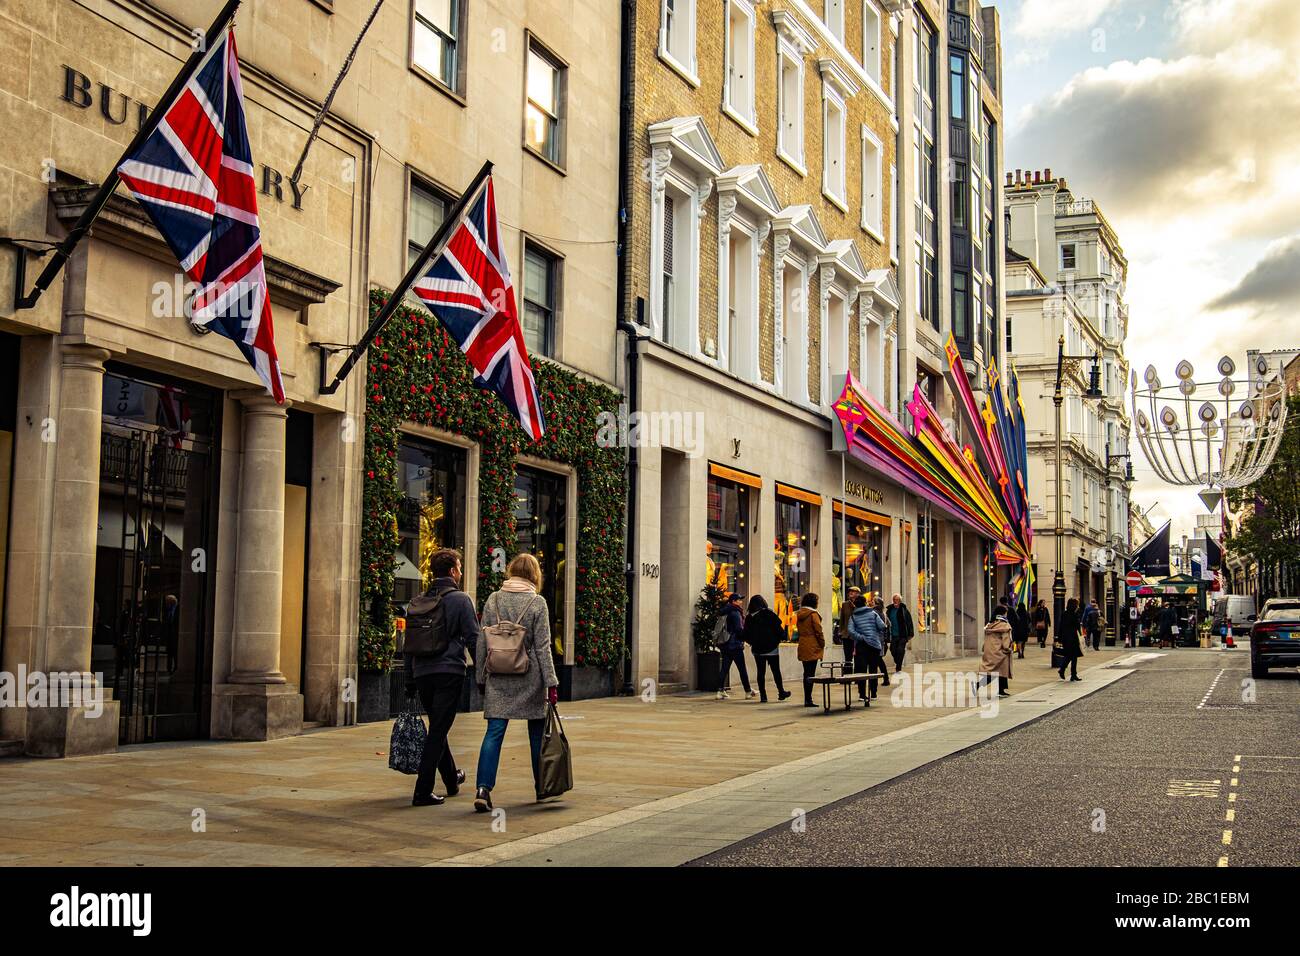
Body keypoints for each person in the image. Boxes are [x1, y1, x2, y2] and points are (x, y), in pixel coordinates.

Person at [472, 553, 559, 813]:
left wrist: (480, 676)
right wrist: (551, 682)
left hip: (498, 673)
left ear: (511, 571)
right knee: (536, 734)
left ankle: (483, 789)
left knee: (494, 732)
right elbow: (543, 647)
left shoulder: (493, 599)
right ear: (534, 575)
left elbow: (482, 641)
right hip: (530, 676)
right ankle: (542, 787)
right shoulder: (537, 602)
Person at [404, 548, 480, 807]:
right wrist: (482, 674)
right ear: (452, 571)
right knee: (437, 730)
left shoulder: (418, 601)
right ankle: (422, 791)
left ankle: (451, 779)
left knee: (438, 726)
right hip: (449, 672)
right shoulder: (461, 600)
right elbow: (473, 639)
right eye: (459, 567)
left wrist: (409, 679)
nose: (460, 571)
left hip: (422, 673)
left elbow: (409, 644)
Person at [742, 595, 791, 703]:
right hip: (771, 647)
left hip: (757, 649)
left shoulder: (749, 617)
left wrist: (752, 642)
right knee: (776, 671)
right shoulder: (769, 614)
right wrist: (782, 637)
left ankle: (763, 695)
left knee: (760, 672)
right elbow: (778, 629)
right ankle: (781, 692)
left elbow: (746, 634)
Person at [848, 595, 890, 700]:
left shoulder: (853, 616)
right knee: (873, 670)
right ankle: (874, 693)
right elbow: (882, 626)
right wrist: (874, 633)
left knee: (861, 671)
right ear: (865, 603)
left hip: (861, 645)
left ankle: (862, 694)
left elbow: (851, 631)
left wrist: (861, 637)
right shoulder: (873, 613)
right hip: (874, 645)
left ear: (855, 605)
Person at [717, 592, 755, 700]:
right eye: (739, 600)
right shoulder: (735, 612)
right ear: (733, 601)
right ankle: (748, 691)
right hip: (735, 645)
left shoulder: (726, 611)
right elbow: (739, 629)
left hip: (726, 644)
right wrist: (746, 638)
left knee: (724, 669)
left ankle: (720, 691)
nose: (741, 602)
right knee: (742, 669)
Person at [976, 605, 1014, 697]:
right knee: (998, 671)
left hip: (991, 651)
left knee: (999, 671)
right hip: (1000, 652)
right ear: (1004, 613)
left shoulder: (991, 624)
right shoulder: (1005, 625)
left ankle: (1001, 690)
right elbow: (1006, 641)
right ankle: (977, 685)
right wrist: (1008, 649)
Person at [796, 593, 825, 708]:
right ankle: (808, 699)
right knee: (811, 673)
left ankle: (807, 698)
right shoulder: (813, 614)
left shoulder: (800, 614)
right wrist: (822, 643)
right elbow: (818, 630)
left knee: (806, 673)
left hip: (803, 643)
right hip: (813, 644)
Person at [886, 593, 915, 673]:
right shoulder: (889, 610)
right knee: (892, 649)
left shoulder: (904, 610)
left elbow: (909, 622)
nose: (895, 601)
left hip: (902, 634)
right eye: (894, 599)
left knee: (900, 650)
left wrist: (910, 633)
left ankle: (898, 668)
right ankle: (898, 661)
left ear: (900, 601)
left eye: (897, 600)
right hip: (893, 634)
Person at [1057, 597, 1083, 681]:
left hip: (1066, 638)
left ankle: (1068, 672)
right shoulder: (1074, 615)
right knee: (1072, 656)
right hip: (1073, 638)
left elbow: (1061, 626)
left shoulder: (1064, 614)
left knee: (1071, 656)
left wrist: (1059, 638)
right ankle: (1068, 672)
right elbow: (1077, 626)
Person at [838, 586, 862, 669]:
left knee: (858, 657)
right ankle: (847, 674)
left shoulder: (861, 604)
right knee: (847, 657)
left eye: (853, 591)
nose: (851, 592)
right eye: (850, 591)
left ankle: (857, 674)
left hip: (857, 635)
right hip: (846, 635)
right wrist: (840, 632)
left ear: (858, 594)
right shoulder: (845, 604)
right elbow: (842, 619)